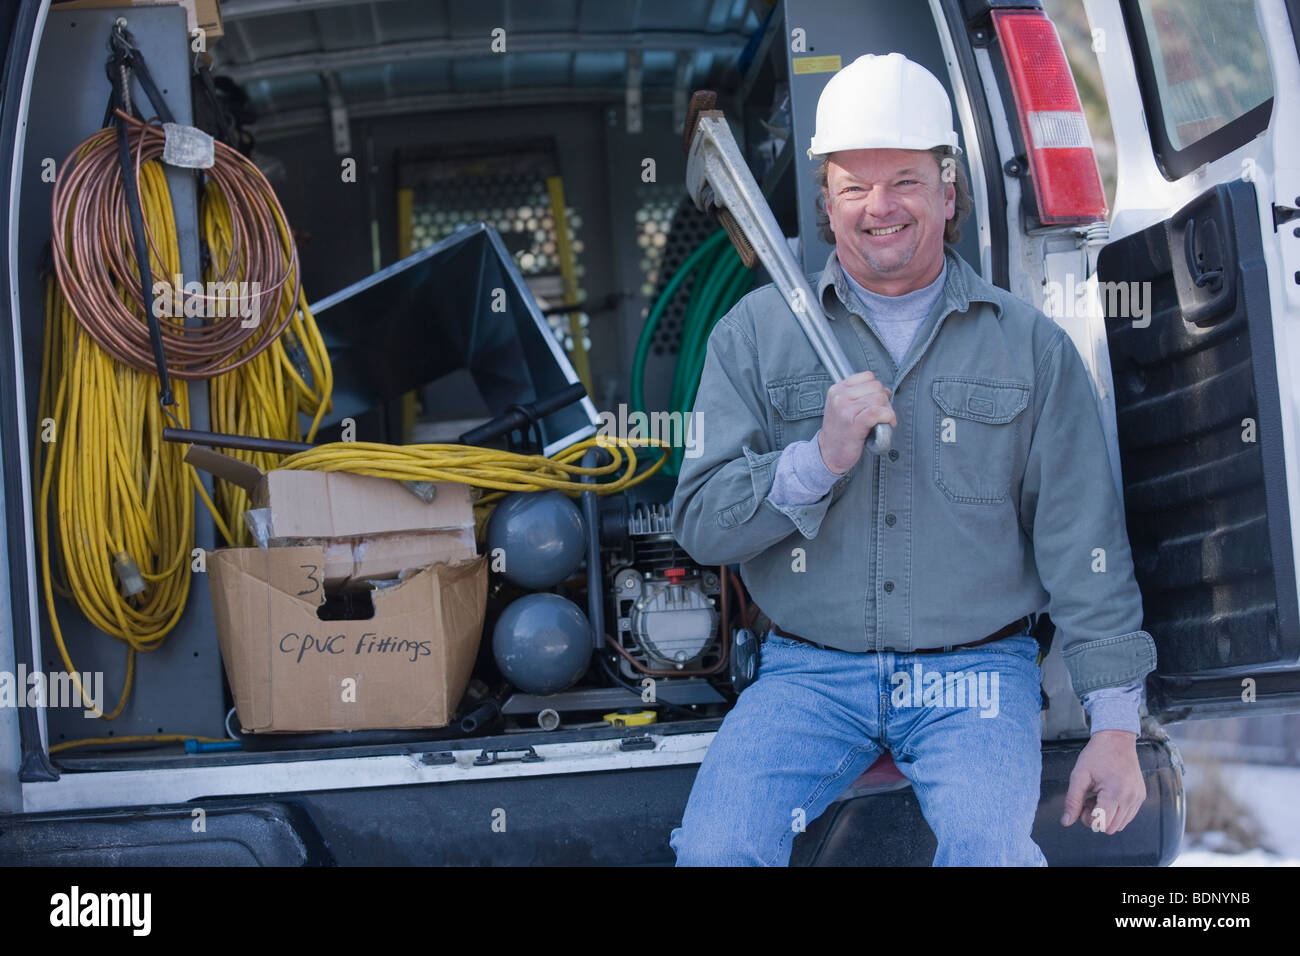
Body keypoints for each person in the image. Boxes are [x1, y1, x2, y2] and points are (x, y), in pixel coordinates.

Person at [668, 52, 1156, 866]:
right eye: (854, 185)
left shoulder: (1029, 347)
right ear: (825, 203)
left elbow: (1086, 546)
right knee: (715, 851)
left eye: (905, 180)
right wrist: (817, 460)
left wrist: (1114, 727)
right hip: (805, 676)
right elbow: (700, 527)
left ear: (949, 191)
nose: (879, 206)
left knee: (988, 855)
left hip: (976, 678)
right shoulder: (752, 336)